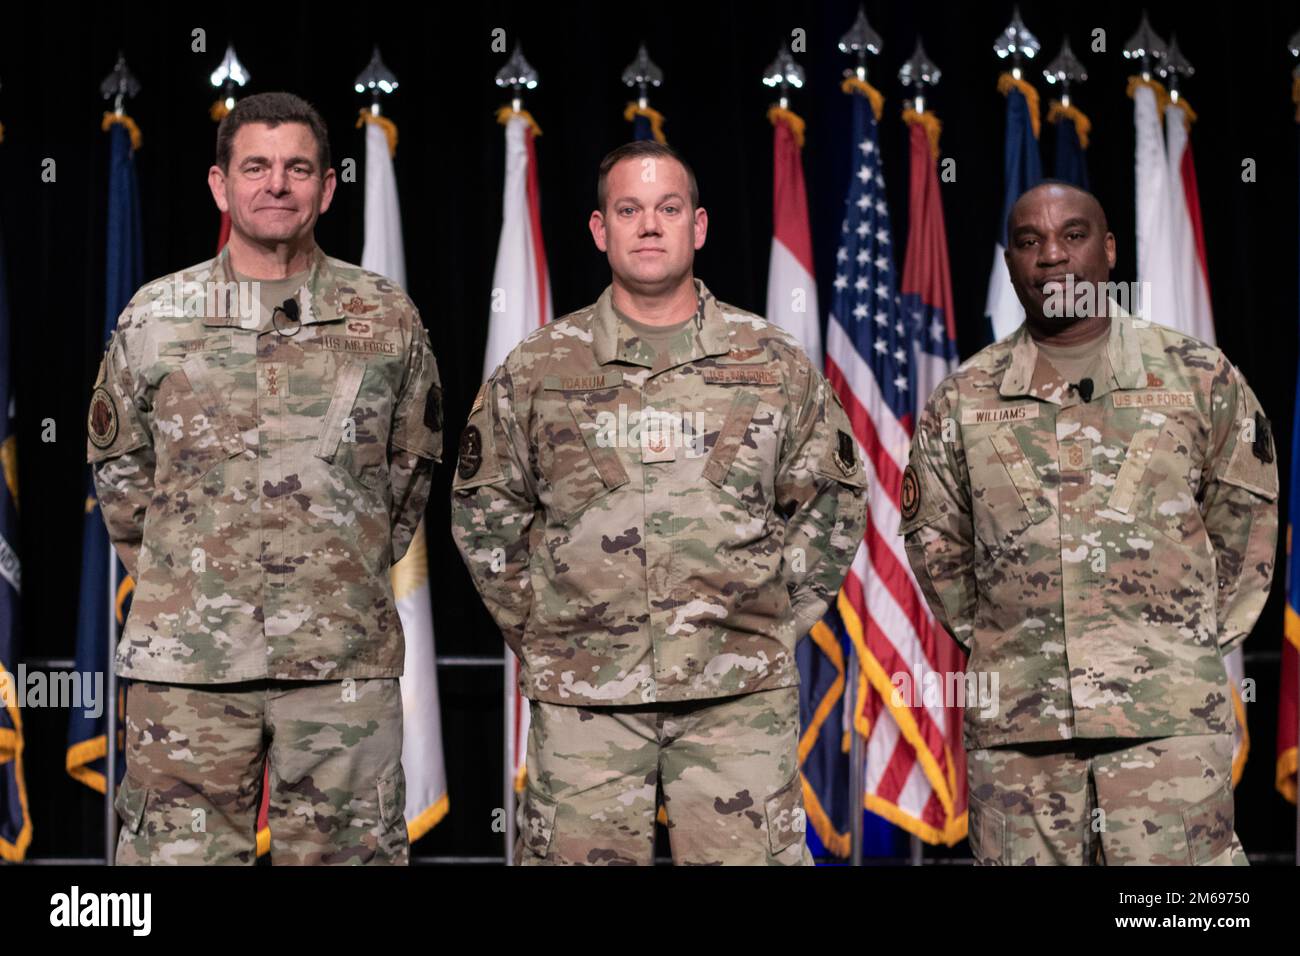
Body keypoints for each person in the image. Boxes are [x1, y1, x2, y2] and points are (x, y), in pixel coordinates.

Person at [451, 140, 868, 865]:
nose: (650, 225)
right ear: (599, 229)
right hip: (586, 703)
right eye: (629, 210)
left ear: (698, 226)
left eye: (668, 209)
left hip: (735, 698)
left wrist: (763, 623)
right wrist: (555, 632)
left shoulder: (771, 362)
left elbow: (832, 504)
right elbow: (484, 511)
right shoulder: (539, 368)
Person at [88, 91, 443, 865]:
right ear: (221, 185)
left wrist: (334, 570)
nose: (276, 184)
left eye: (296, 168)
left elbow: (410, 474)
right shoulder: (157, 316)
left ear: (326, 187)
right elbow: (121, 480)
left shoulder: (385, 318)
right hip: (187, 670)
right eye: (255, 167)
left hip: (340, 666)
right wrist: (193, 587)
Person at [898, 181, 1278, 865]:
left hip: (1167, 726)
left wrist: (1176, 645)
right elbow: (937, 549)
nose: (1052, 256)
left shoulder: (1197, 377)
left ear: (1108, 251)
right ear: (1010, 262)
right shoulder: (963, 398)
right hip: (1021, 730)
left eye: (1073, 235)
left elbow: (1246, 523)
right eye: (1029, 241)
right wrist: (1017, 643)